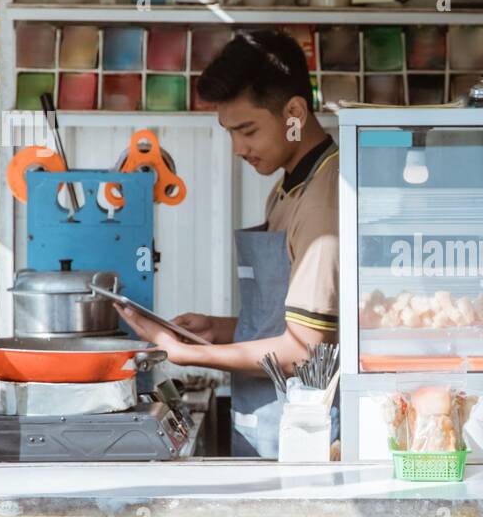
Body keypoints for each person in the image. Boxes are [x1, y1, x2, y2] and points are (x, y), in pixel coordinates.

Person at [118, 29, 339, 458]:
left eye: (248, 130)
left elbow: (305, 350)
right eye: (229, 132)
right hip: (273, 421)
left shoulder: (322, 202)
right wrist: (215, 330)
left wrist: (187, 354)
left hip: (309, 436)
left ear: (294, 112)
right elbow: (289, 322)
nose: (238, 148)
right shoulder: (286, 190)